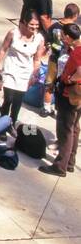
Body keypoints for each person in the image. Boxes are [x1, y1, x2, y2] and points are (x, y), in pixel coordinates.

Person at [0, 12, 45, 123]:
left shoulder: (39, 39)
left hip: (25, 73)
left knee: (18, 101)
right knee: (8, 99)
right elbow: (3, 49)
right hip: (10, 69)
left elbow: (37, 59)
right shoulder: (13, 33)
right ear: (25, 22)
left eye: (37, 25)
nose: (34, 27)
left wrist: (34, 75)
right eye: (32, 24)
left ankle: (12, 122)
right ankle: (2, 123)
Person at [45, 23, 81, 176]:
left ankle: (60, 166)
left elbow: (79, 71)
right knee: (74, 128)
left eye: (63, 36)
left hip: (69, 95)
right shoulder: (73, 49)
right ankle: (70, 163)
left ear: (67, 36)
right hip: (77, 97)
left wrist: (69, 79)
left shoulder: (77, 52)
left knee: (65, 130)